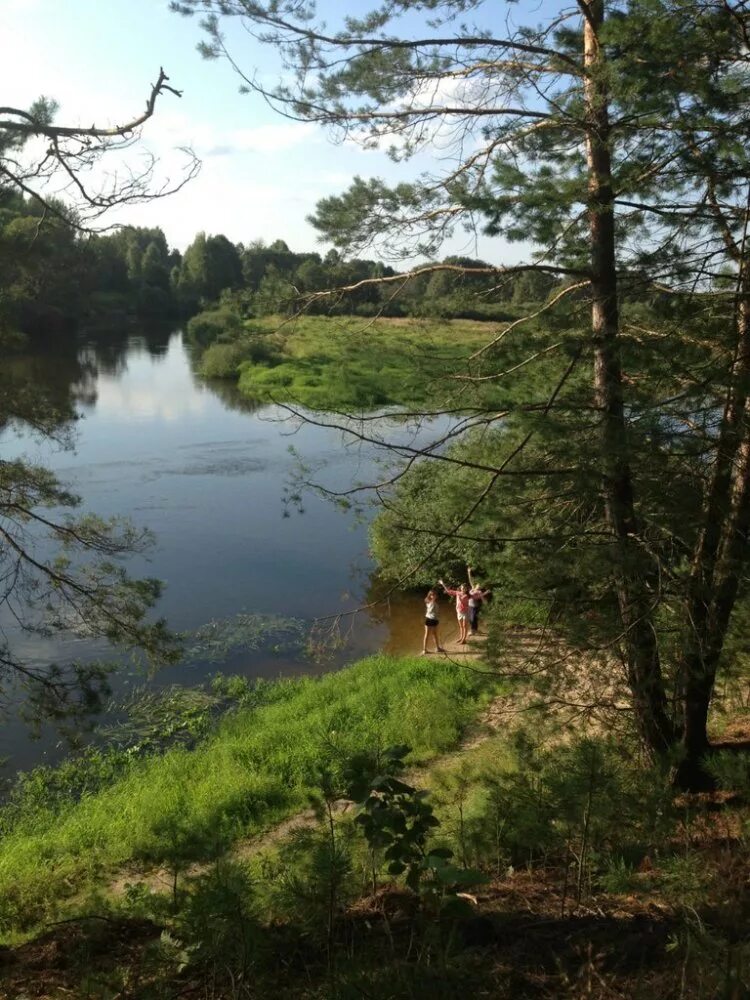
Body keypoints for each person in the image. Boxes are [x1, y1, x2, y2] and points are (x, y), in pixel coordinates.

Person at [439, 578, 470, 644]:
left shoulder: (467, 595)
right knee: (461, 626)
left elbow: (463, 600)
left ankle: (464, 640)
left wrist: (459, 597)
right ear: (461, 588)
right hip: (459, 612)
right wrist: (442, 584)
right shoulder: (457, 592)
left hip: (465, 612)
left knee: (465, 626)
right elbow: (448, 591)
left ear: (466, 589)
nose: (463, 589)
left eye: (465, 588)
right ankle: (461, 637)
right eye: (462, 588)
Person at [467, 567, 490, 636]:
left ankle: (473, 631)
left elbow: (482, 598)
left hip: (475, 607)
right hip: (469, 605)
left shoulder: (479, 592)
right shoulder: (473, 588)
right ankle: (475, 630)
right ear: (476, 585)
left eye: (480, 586)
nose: (478, 586)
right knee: (471, 619)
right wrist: (469, 572)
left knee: (473, 618)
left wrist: (485, 593)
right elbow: (470, 580)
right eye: (478, 585)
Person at [422, 589, 444, 654]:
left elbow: (436, 612)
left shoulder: (433, 602)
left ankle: (437, 648)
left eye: (434, 595)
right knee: (427, 635)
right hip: (429, 619)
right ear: (430, 595)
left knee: (435, 634)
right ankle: (424, 650)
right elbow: (430, 611)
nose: (433, 596)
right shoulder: (429, 603)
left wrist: (433, 602)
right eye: (431, 595)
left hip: (435, 620)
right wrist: (432, 602)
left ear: (436, 596)